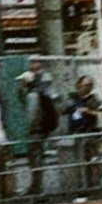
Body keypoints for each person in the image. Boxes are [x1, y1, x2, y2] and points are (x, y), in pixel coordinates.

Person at [20, 63, 60, 195]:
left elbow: (32, 116)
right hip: (41, 131)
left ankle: (36, 185)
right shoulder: (39, 94)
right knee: (38, 157)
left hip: (36, 132)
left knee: (35, 158)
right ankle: (37, 184)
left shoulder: (32, 96)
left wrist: (28, 129)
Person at [65, 73, 102, 199]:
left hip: (90, 131)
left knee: (93, 158)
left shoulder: (93, 99)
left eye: (90, 85)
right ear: (78, 85)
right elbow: (63, 109)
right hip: (76, 132)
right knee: (79, 159)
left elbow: (98, 112)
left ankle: (94, 183)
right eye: (84, 85)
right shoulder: (72, 98)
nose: (87, 88)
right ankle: (80, 185)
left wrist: (88, 111)